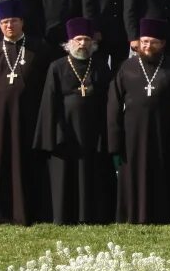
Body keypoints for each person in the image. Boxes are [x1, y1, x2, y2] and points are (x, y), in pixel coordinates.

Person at [34, 17, 115, 225]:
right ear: (69, 42)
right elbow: (50, 101)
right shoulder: (57, 67)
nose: (82, 44)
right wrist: (57, 132)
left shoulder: (100, 67)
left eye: (87, 39)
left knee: (92, 174)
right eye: (78, 39)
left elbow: (109, 101)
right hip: (65, 131)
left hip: (92, 130)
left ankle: (91, 216)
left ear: (93, 43)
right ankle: (64, 216)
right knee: (65, 175)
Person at [0, 0, 48, 225]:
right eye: (5, 22)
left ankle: (29, 211)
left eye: (14, 21)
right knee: (0, 167)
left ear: (22, 22)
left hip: (30, 121)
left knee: (28, 166)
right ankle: (0, 213)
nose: (10, 26)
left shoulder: (40, 49)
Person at [111, 18, 170, 224]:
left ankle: (166, 213)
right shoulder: (126, 67)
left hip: (165, 129)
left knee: (164, 171)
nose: (147, 46)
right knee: (135, 172)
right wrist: (114, 136)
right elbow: (114, 103)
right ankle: (133, 213)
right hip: (132, 131)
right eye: (144, 42)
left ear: (162, 44)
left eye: (152, 42)